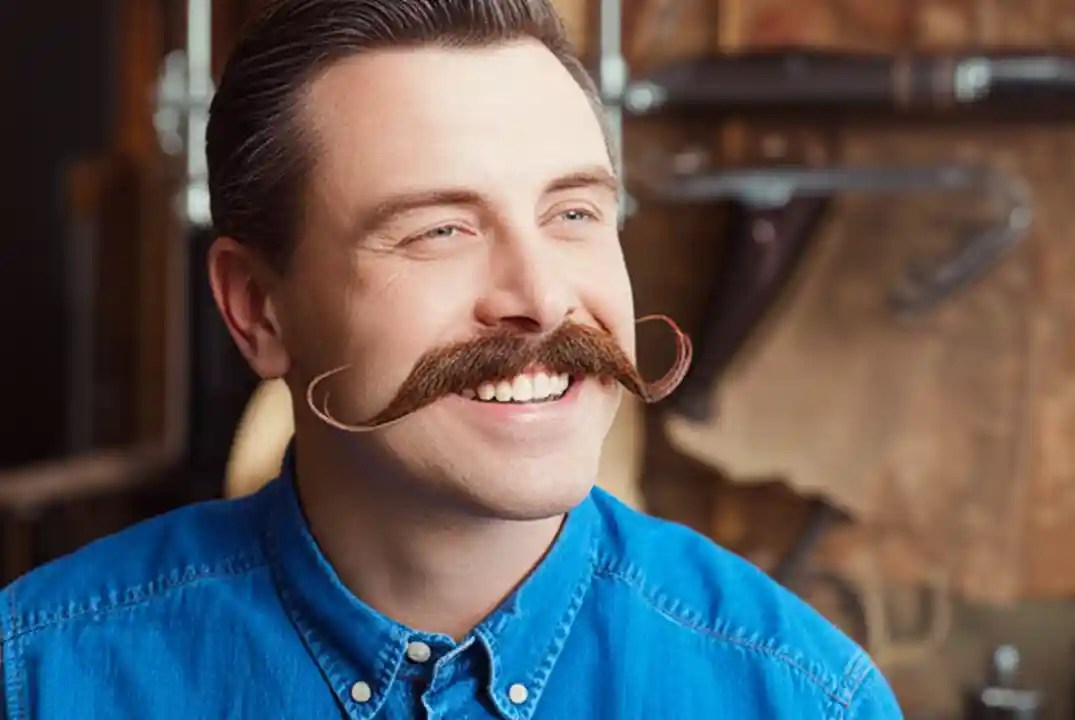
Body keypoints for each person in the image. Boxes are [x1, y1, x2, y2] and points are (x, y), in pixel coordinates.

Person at [0, 1, 904, 717]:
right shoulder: (37, 679)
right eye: (440, 229)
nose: (543, 297)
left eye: (574, 214)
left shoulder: (802, 697)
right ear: (257, 309)